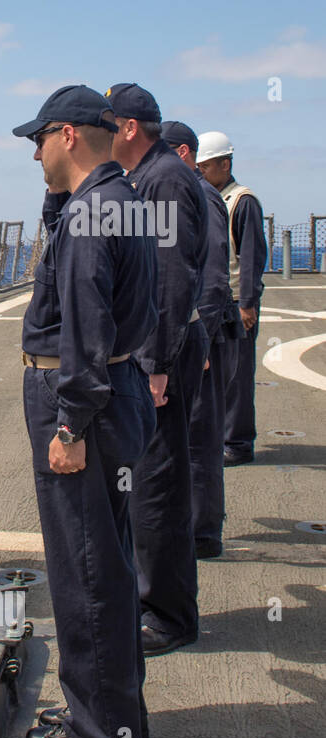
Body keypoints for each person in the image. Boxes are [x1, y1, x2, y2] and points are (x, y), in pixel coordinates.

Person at [11, 86, 157, 738]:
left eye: (38, 140)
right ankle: (114, 705)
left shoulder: (95, 214)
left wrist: (68, 423)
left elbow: (87, 331)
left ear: (67, 135)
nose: (34, 154)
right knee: (112, 558)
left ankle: (102, 730)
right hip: (120, 395)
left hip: (85, 408)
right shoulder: (118, 202)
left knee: (86, 567)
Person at [107, 83, 209, 659]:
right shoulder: (151, 176)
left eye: (106, 124)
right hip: (153, 351)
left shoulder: (163, 178)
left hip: (159, 355)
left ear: (127, 128)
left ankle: (167, 617)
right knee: (148, 482)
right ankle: (157, 603)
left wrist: (158, 365)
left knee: (158, 487)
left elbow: (172, 277)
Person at [162, 121, 240, 560]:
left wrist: (202, 343)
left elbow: (210, 279)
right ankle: (199, 532)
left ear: (184, 153)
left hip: (202, 338)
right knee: (195, 439)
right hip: (199, 336)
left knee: (198, 441)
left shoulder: (199, 197)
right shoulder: (198, 193)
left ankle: (202, 535)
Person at [196, 131, 267, 467]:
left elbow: (252, 256)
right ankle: (221, 437)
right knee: (218, 375)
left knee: (238, 377)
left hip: (237, 300)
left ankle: (238, 443)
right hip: (217, 301)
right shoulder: (211, 198)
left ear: (225, 164)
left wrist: (248, 303)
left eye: (207, 166)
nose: (202, 171)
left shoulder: (242, 200)